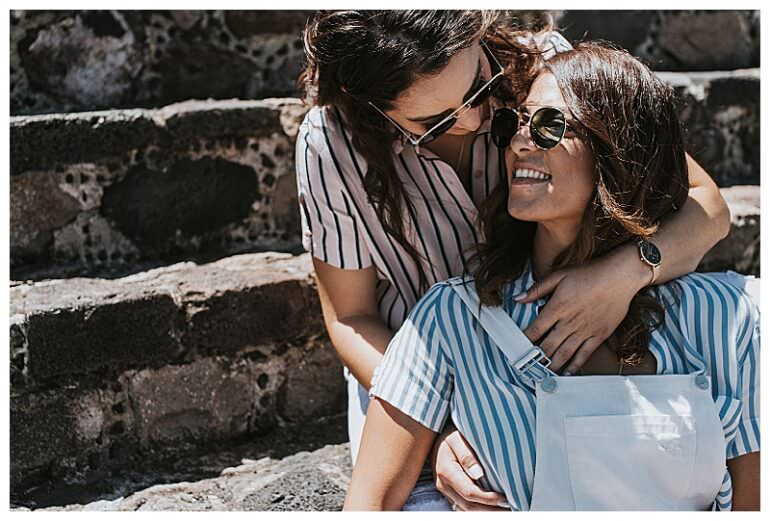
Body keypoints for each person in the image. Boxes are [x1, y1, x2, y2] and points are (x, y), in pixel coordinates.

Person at [296, 11, 731, 510]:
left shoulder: (546, 70)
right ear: (371, 106)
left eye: (479, 88)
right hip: (411, 386)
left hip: (565, 357)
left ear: (479, 33)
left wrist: (622, 274)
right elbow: (351, 318)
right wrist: (436, 420)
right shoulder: (331, 144)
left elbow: (707, 207)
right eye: (432, 123)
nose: (472, 121)